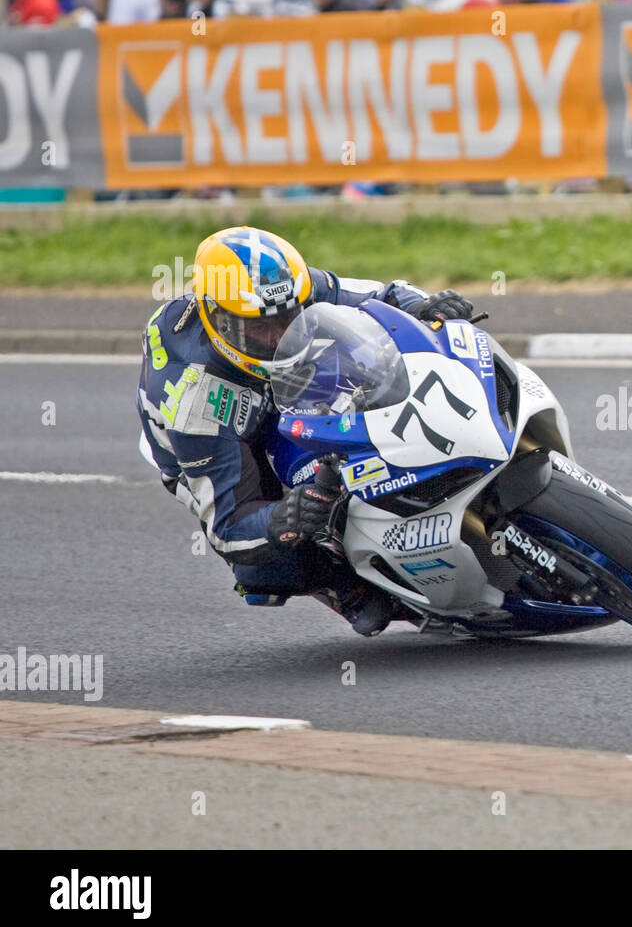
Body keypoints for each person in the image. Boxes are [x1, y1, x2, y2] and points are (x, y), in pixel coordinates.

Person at [136, 226, 473, 636]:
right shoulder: (194, 402)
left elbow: (378, 297)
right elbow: (229, 527)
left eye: (287, 317)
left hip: (275, 386)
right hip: (219, 440)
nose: (280, 336)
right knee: (273, 553)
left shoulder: (281, 288)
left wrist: (426, 306)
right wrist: (284, 517)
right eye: (260, 328)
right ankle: (342, 588)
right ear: (219, 321)